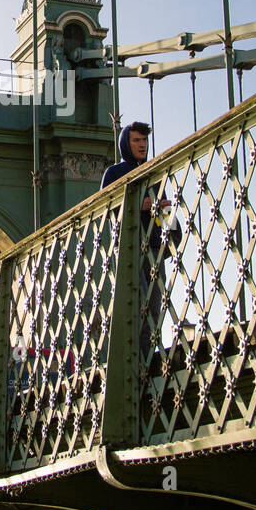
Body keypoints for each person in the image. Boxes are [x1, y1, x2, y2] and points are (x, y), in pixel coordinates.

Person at [101, 122, 180, 360]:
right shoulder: (114, 173)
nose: (142, 145)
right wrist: (137, 206)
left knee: (155, 309)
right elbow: (106, 210)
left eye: (144, 141)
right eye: (136, 140)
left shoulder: (155, 172)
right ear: (126, 143)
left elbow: (165, 209)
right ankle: (133, 363)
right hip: (130, 248)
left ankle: (147, 360)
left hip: (155, 248)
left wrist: (174, 235)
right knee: (138, 307)